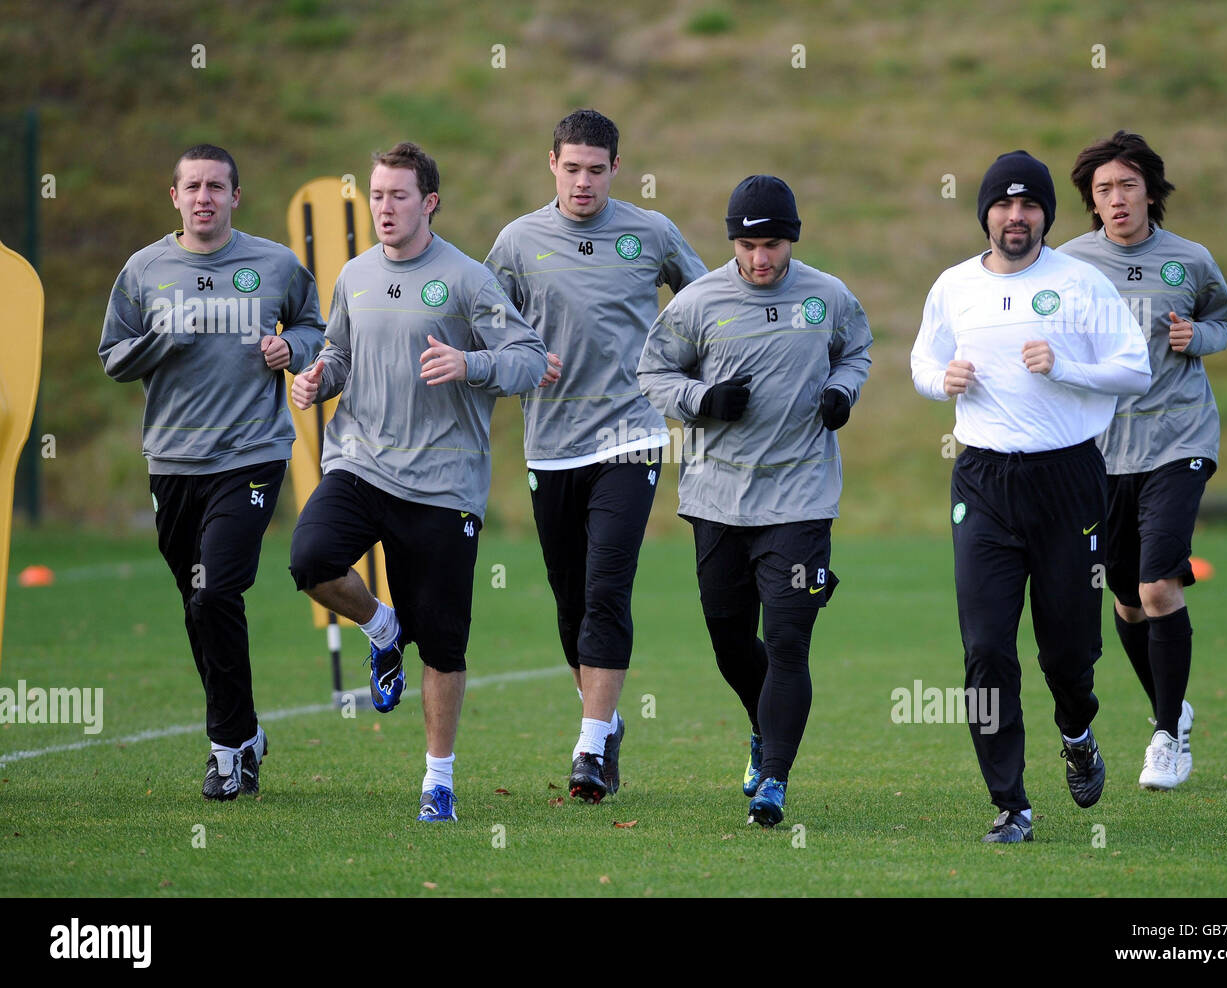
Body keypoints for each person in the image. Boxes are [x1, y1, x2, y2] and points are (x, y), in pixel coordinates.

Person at [288, 141, 547, 823]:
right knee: (309, 560)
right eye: (376, 195)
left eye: (398, 195)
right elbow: (340, 353)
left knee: (442, 643)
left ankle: (437, 781)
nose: (384, 208)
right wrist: (318, 378)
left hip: (442, 483)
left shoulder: (466, 279)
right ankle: (380, 626)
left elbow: (526, 360)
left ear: (428, 202)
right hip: (360, 463)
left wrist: (470, 365)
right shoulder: (354, 275)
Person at [910, 150, 1152, 843]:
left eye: (1030, 206)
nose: (1016, 217)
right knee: (986, 646)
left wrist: (1066, 366)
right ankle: (1011, 803)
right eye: (1004, 205)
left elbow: (1133, 369)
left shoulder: (1080, 283)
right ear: (985, 212)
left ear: (1046, 214)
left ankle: (1076, 729)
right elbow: (923, 360)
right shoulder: (954, 286)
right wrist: (942, 380)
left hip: (1068, 481)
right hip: (983, 482)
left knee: (1067, 652)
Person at [486, 109, 707, 803]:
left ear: (617, 167)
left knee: (608, 585)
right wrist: (520, 359)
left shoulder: (652, 233)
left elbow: (705, 302)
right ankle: (605, 725)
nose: (583, 182)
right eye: (571, 167)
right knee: (571, 602)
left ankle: (587, 745)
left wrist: (696, 378)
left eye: (596, 169)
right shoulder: (518, 243)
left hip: (632, 436)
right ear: (551, 162)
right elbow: (484, 323)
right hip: (550, 446)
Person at [638, 175, 871, 827]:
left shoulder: (827, 298)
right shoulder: (698, 302)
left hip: (800, 499)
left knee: (789, 640)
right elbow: (653, 373)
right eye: (748, 245)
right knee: (730, 643)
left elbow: (856, 351)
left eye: (772, 244)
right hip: (717, 499)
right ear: (732, 242)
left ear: (791, 240)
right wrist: (701, 402)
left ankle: (774, 782)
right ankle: (761, 727)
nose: (760, 258)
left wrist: (842, 393)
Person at [99, 144, 325, 801]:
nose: (204, 197)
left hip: (251, 455)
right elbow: (113, 356)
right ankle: (247, 730)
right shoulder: (144, 271)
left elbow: (316, 325)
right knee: (198, 606)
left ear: (235, 196)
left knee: (216, 592)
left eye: (216, 187)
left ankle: (225, 753)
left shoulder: (274, 264)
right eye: (192, 186)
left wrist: (293, 347)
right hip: (173, 461)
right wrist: (163, 339)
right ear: (174, 196)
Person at [1058, 131, 1227, 791]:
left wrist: (1201, 337)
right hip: (1103, 450)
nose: (1116, 199)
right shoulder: (1068, 265)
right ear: (1092, 200)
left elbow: (1224, 320)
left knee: (1159, 585)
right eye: (1103, 189)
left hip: (1179, 438)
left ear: (1151, 192)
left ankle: (1166, 736)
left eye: (1127, 185)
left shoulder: (1189, 261)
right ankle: (1174, 705)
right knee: (1128, 599)